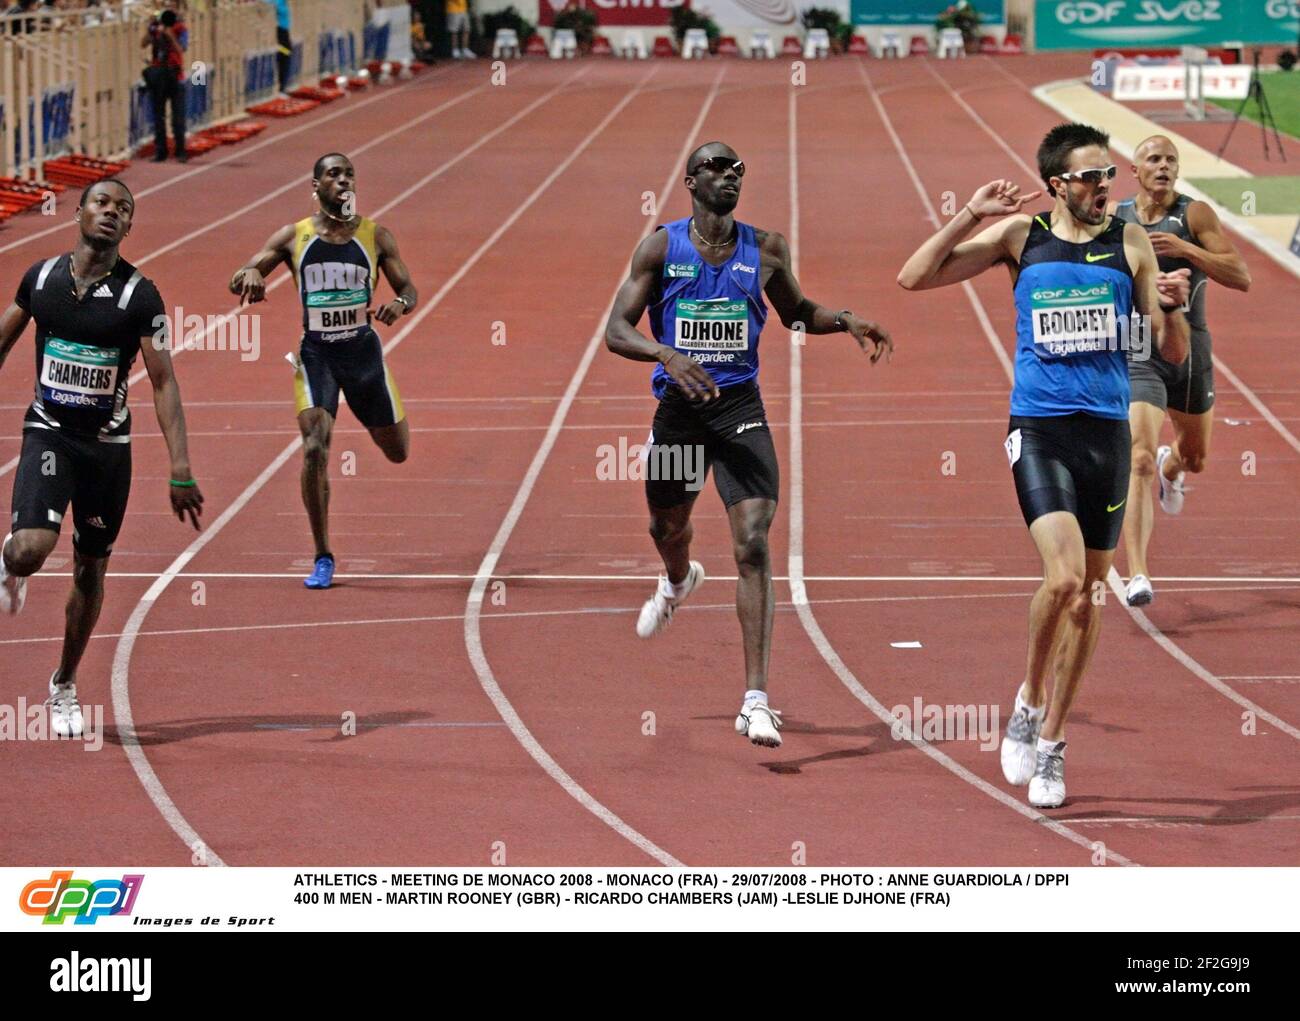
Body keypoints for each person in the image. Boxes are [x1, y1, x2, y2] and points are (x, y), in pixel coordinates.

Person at [897, 123, 1190, 807]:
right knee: (1061, 581)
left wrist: (1172, 310)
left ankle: (1054, 742)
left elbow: (1170, 352)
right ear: (1057, 183)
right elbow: (913, 277)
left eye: (1108, 176)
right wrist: (972, 213)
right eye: (1090, 178)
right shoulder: (1021, 239)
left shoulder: (1130, 243)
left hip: (1106, 436)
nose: (1103, 189)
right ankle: (1030, 698)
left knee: (1088, 598)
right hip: (1040, 429)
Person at [604, 141, 893, 748]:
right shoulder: (661, 247)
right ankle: (678, 580)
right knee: (666, 531)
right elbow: (616, 330)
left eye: (737, 169)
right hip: (680, 414)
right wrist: (665, 353)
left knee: (755, 543)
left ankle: (755, 699)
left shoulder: (766, 249)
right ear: (690, 180)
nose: (729, 176)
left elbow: (795, 312)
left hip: (738, 409)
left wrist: (844, 320)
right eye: (716, 167)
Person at [0, 179, 204, 737]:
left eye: (124, 210)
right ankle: (11, 559)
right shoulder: (40, 279)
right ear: (79, 212)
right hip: (49, 434)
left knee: (90, 567)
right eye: (102, 203)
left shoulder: (141, 296)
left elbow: (163, 381)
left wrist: (180, 467)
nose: (112, 213)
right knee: (30, 551)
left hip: (106, 450)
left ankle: (63, 682)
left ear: (130, 228)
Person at [229, 153, 417, 590]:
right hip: (317, 359)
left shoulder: (376, 236)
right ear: (315, 186)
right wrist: (249, 277)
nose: (343, 180)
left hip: (365, 358)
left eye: (349, 173)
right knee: (315, 446)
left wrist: (401, 304)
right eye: (333, 174)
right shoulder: (295, 237)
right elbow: (239, 275)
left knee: (399, 452)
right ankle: (323, 555)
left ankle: (376, 413)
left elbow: (408, 286)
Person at [1110, 135, 1251, 606]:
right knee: (1138, 458)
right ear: (1135, 170)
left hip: (1190, 351)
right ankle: (1138, 575)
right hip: (1138, 351)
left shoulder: (1195, 215)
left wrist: (1187, 251)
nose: (1164, 166)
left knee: (1195, 459)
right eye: (1154, 159)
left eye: (1171, 159)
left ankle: (1176, 468)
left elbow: (1240, 275)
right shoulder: (1116, 218)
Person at [142, 1, 189, 163]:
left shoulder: (181, 28)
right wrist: (151, 28)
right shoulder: (156, 27)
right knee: (158, 116)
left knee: (178, 116)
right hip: (158, 75)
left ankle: (180, 150)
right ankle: (160, 151)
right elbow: (143, 43)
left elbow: (181, 49)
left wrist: (170, 34)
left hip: (175, 76)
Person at [263, 0, 292, 97]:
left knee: (286, 55)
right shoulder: (275, 2)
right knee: (284, 54)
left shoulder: (283, 2)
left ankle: (283, 87)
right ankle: (281, 88)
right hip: (279, 32)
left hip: (285, 31)